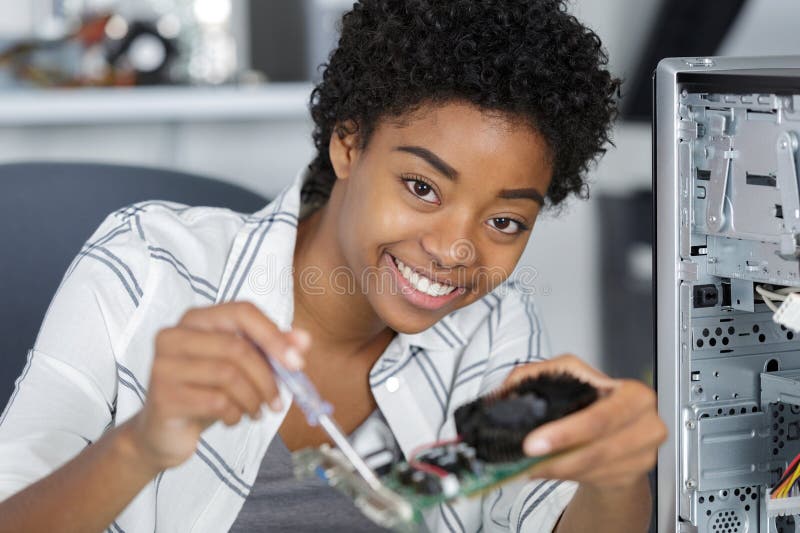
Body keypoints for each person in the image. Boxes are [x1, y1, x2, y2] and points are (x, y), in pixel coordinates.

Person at [0, 1, 667, 531]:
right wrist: (139, 444)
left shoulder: (496, 328)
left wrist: (612, 474)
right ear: (350, 144)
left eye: (504, 221)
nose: (456, 249)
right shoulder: (148, 264)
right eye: (422, 187)